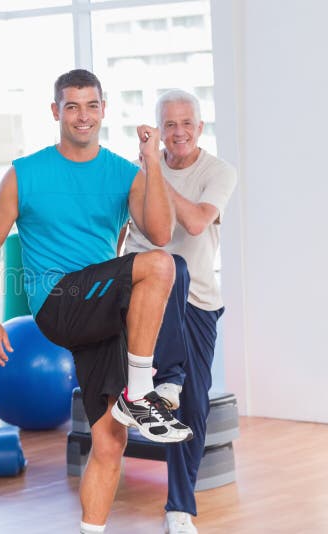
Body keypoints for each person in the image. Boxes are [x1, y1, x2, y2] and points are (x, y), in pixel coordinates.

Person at [0, 69, 193, 534]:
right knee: (160, 266)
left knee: (110, 442)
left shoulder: (123, 172)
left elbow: (160, 231)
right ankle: (139, 393)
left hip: (104, 309)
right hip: (60, 301)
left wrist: (152, 163)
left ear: (104, 109)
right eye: (72, 106)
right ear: (56, 112)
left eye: (91, 105)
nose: (82, 116)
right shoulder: (26, 173)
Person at [123, 90, 237, 534]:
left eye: (186, 123)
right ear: (159, 130)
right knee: (167, 267)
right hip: (146, 294)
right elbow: (121, 231)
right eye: (169, 124)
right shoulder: (136, 173)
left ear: (200, 128)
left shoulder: (217, 172)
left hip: (197, 303)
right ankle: (161, 382)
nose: (179, 132)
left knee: (193, 404)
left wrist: (154, 171)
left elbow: (196, 221)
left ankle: (179, 509)